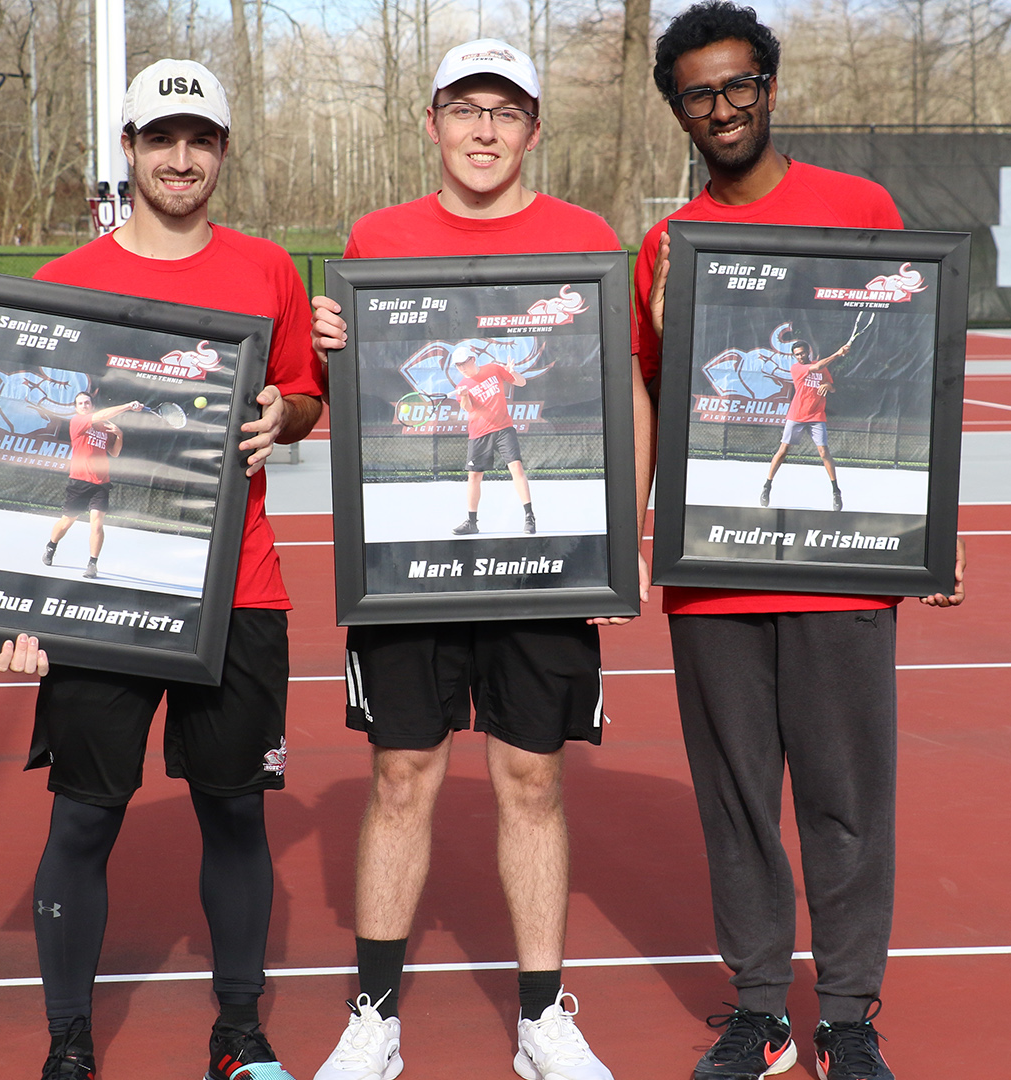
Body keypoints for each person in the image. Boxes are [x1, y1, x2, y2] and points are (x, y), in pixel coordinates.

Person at [634, 6, 967, 1080]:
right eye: (698, 93)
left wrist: (930, 529)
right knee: (737, 801)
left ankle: (850, 1014)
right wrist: (629, 536)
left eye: (738, 86)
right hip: (713, 573)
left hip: (843, 568)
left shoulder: (859, 209)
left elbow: (913, 369)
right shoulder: (666, 246)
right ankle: (762, 1011)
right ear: (676, 109)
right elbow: (648, 392)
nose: (722, 108)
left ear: (769, 88)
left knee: (845, 794)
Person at [305, 37, 648, 1080]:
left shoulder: (584, 238)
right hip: (409, 574)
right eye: (466, 108)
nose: (486, 130)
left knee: (529, 780)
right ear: (433, 123)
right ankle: (374, 1017)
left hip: (548, 571)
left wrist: (618, 539)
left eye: (506, 111)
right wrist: (335, 349)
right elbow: (353, 412)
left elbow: (625, 388)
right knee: (403, 773)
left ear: (534, 129)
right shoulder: (379, 238)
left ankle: (543, 1018)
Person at [0, 58, 324, 1080]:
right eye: (161, 139)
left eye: (202, 140)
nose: (182, 159)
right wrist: (7, 601)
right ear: (128, 150)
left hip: (239, 591)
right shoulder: (59, 287)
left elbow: (304, 395)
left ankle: (238, 1032)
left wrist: (287, 416)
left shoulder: (269, 269)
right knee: (86, 817)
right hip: (103, 604)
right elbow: (15, 457)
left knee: (234, 812)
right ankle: (70, 1045)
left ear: (221, 150)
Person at [44, 391, 145, 577]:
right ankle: (51, 546)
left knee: (97, 525)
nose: (84, 406)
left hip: (101, 484)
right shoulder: (77, 421)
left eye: (87, 403)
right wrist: (128, 405)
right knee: (67, 522)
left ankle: (92, 564)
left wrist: (120, 435)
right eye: (80, 403)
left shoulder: (103, 427)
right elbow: (101, 415)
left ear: (92, 404)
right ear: (76, 408)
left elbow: (114, 453)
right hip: (79, 483)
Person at [449, 339, 535, 535]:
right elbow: (468, 408)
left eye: (464, 363)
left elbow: (521, 382)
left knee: (516, 466)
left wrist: (513, 373)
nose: (462, 368)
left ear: (473, 359)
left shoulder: (494, 369)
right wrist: (464, 395)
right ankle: (472, 523)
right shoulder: (462, 385)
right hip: (479, 434)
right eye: (458, 365)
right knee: (474, 477)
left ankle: (529, 517)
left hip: (504, 429)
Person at [760, 336, 846, 511]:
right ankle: (767, 486)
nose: (799, 357)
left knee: (824, 452)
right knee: (783, 451)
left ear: (808, 352)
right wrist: (838, 354)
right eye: (796, 355)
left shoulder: (821, 368)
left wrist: (829, 387)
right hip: (797, 415)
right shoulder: (797, 368)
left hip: (816, 416)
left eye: (802, 353)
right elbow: (817, 367)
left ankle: (836, 491)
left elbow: (832, 386)